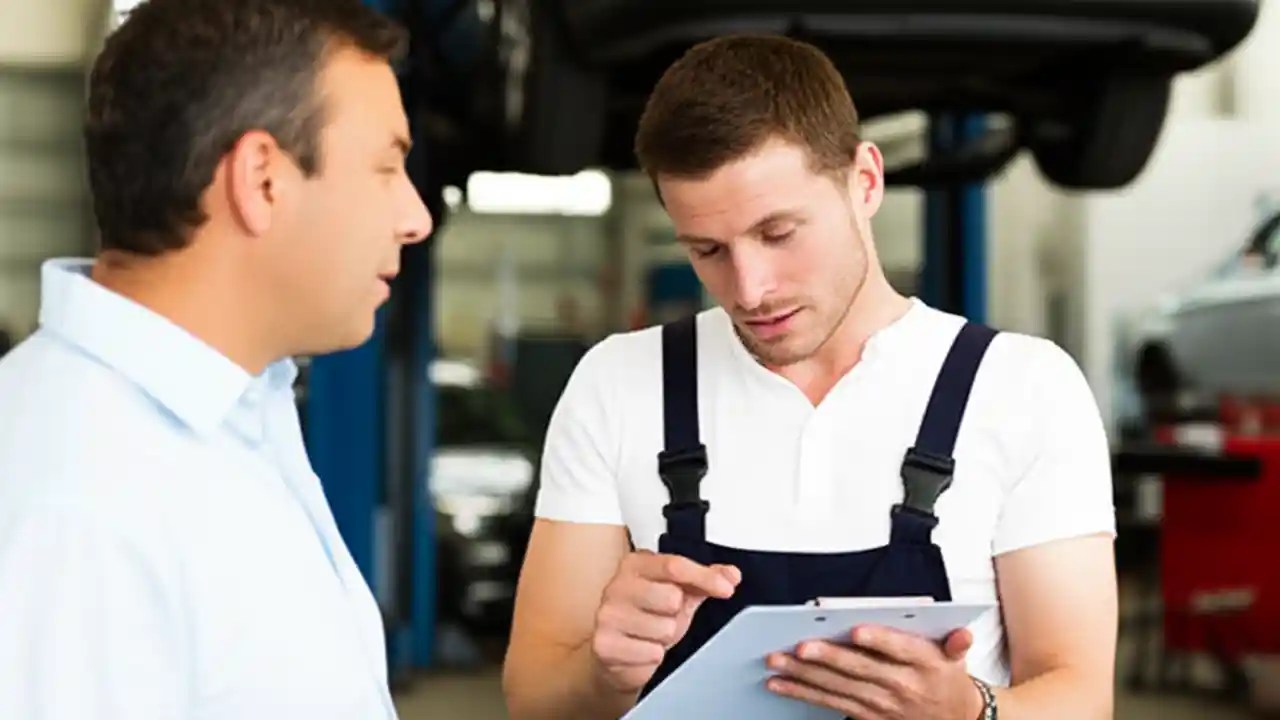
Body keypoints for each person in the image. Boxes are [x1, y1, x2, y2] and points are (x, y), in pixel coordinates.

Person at [503, 34, 1117, 720]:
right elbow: (535, 700)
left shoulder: (1023, 389)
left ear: (865, 183)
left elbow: (1081, 696)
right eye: (708, 249)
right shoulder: (618, 384)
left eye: (779, 233)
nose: (750, 289)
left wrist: (969, 712)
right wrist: (608, 672)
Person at [0, 0, 432, 717]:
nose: (414, 216)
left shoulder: (229, 420)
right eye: (387, 166)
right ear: (262, 179)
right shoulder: (77, 501)